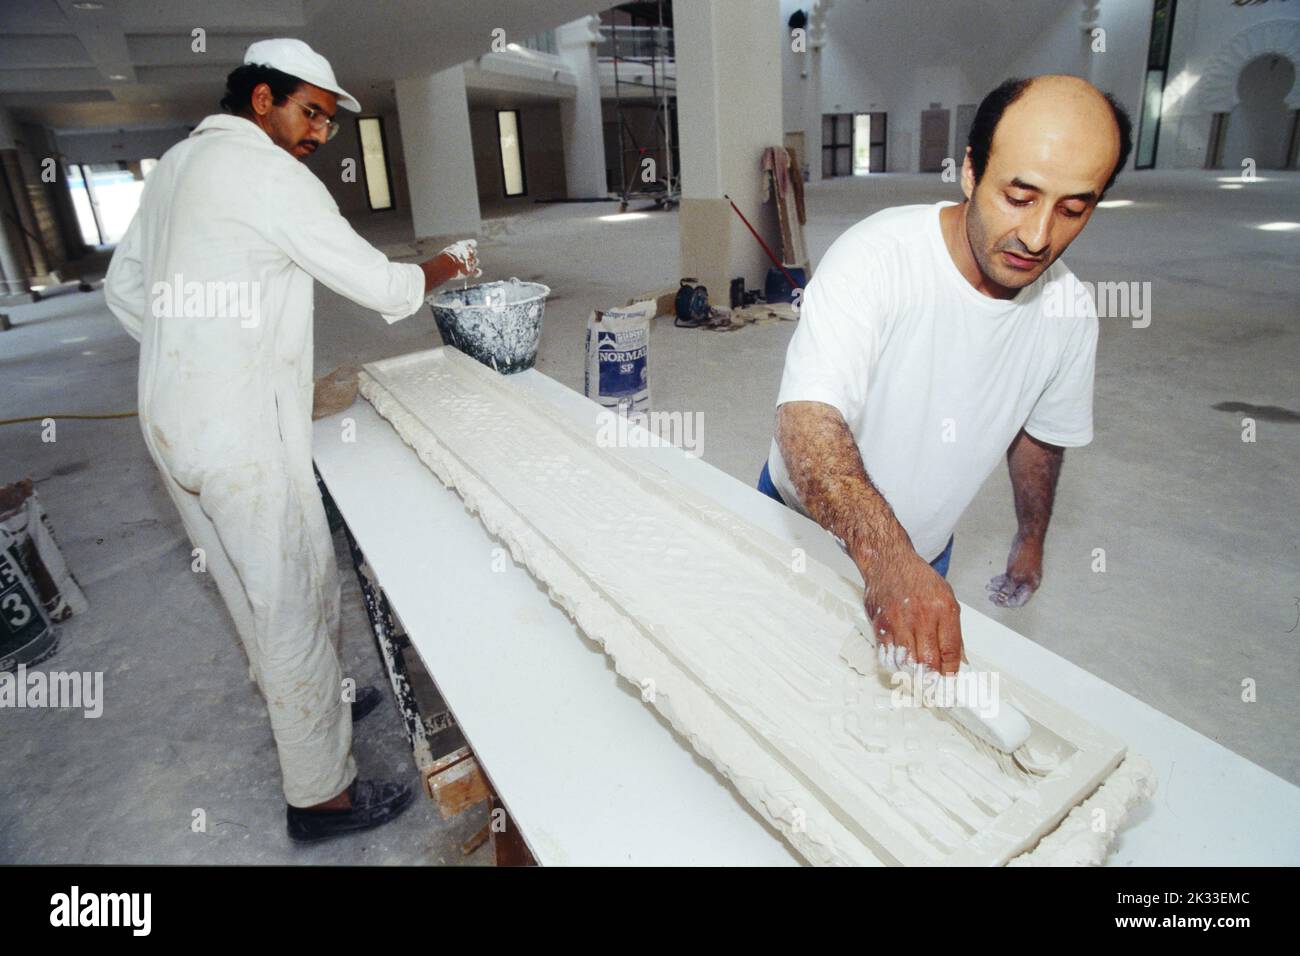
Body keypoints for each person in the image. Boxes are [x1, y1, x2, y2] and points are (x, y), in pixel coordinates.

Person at [104, 38, 481, 841]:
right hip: (238, 430)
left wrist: (190, 350)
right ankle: (320, 797)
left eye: (328, 121)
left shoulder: (175, 166)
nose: (319, 133)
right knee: (291, 591)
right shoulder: (271, 177)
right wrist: (448, 263)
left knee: (247, 585)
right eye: (310, 112)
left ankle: (312, 697)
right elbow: (383, 286)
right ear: (261, 99)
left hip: (171, 419)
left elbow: (123, 289)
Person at [761, 75, 1132, 676]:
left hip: (923, 558)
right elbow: (806, 420)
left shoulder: (1070, 313)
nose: (1038, 237)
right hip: (798, 532)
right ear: (970, 171)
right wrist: (889, 562)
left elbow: (1039, 437)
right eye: (1019, 197)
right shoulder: (877, 257)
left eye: (1072, 209)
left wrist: (1030, 538)